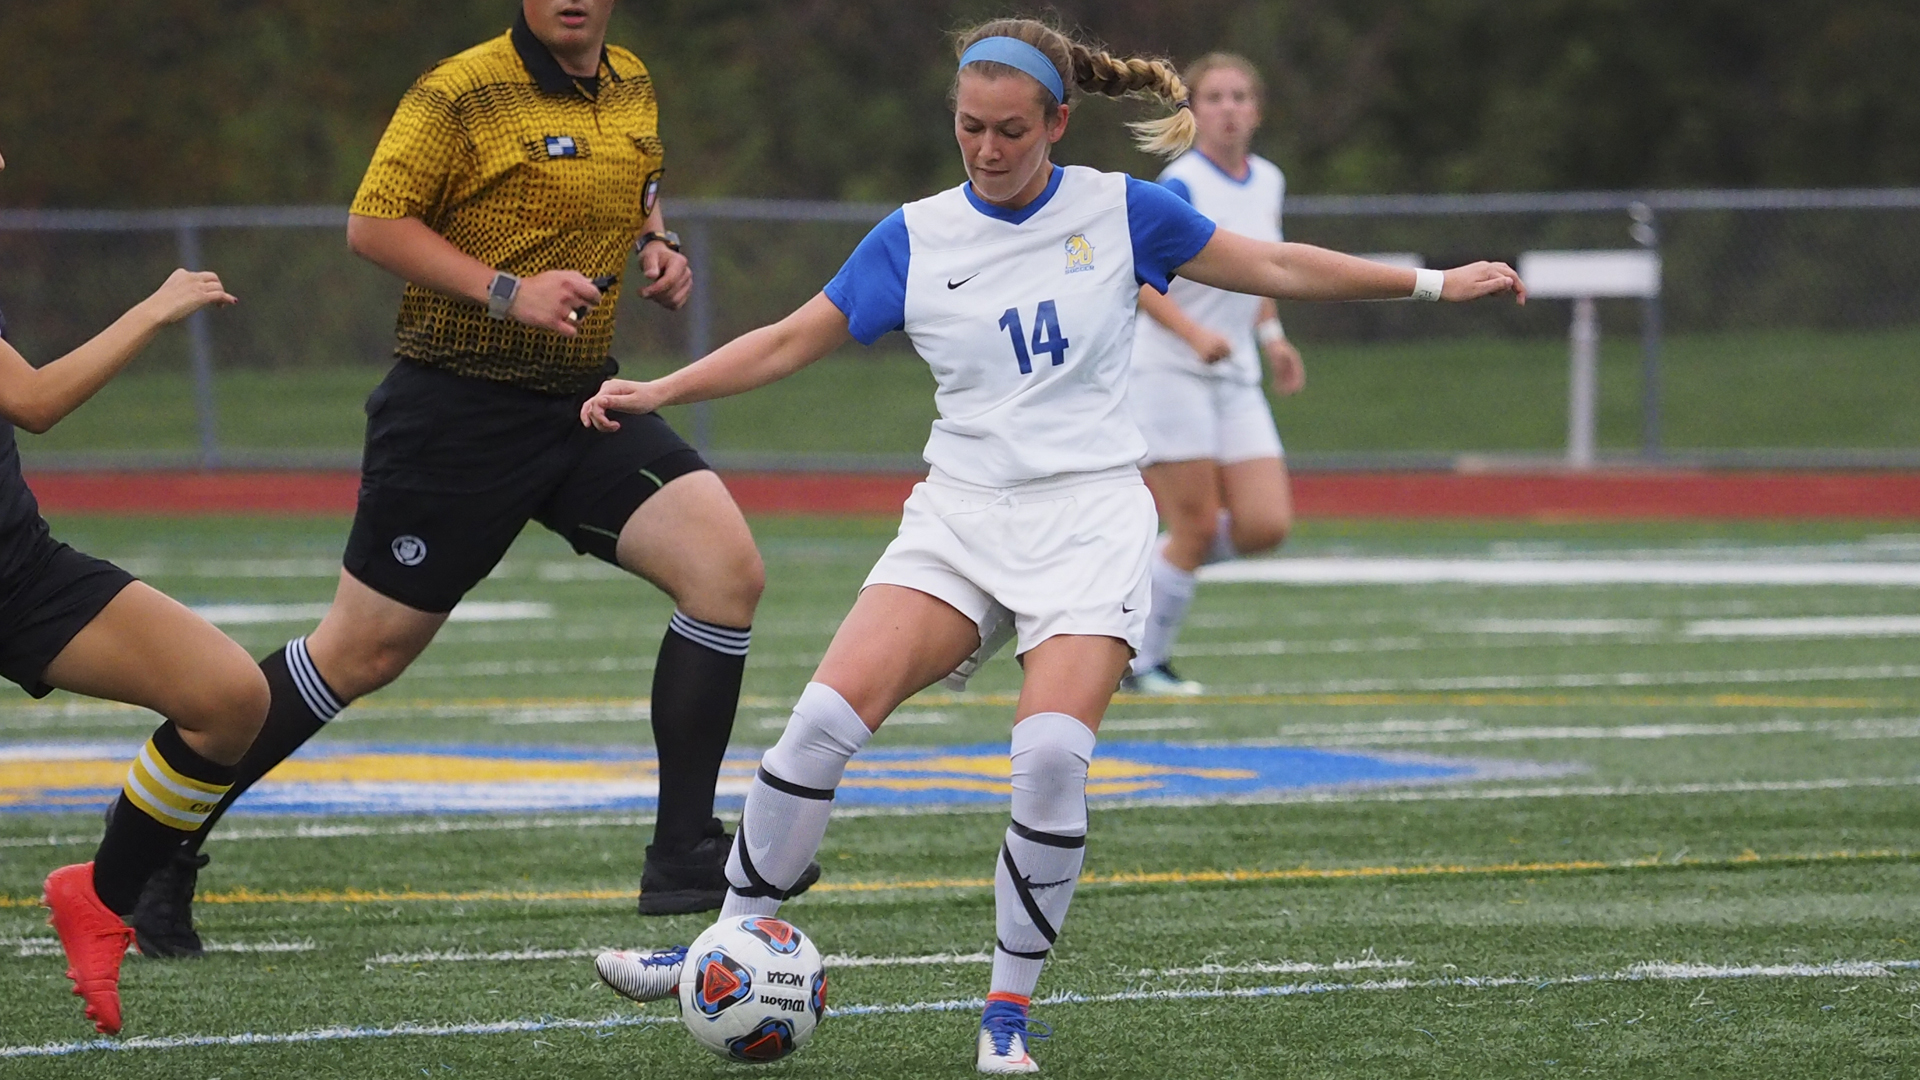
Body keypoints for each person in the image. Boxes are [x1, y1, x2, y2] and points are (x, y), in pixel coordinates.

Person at [583, 17, 1522, 1073]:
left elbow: (1274, 265)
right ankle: (722, 946)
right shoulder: (914, 234)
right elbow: (791, 338)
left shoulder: (1123, 211)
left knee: (1045, 759)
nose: (987, 150)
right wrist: (663, 386)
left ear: (1058, 123)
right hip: (961, 517)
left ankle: (1005, 1017)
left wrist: (1437, 282)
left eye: (1011, 131)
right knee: (815, 730)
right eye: (970, 128)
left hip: (1088, 521)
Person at [128, 0, 817, 959]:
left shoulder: (632, 81)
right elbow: (372, 225)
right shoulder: (459, 91)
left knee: (727, 572)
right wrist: (509, 288)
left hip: (581, 403)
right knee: (358, 654)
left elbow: (640, 184)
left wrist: (655, 245)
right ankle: (161, 848)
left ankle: (682, 856)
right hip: (456, 412)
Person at [0, 148, 271, 1034]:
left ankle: (102, 896)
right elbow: (33, 400)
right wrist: (155, 308)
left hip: (16, 568)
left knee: (227, 696)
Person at [1123, 53, 1301, 696]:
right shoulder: (1181, 184)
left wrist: (1272, 336)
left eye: (1240, 97)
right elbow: (1135, 279)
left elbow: (1264, 267)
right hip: (1168, 370)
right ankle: (1142, 664)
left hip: (1235, 374)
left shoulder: (1269, 180)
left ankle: (1139, 571)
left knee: (1265, 526)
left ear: (1257, 110)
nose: (1228, 108)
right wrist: (1194, 333)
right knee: (1195, 525)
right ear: (1193, 112)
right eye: (1215, 97)